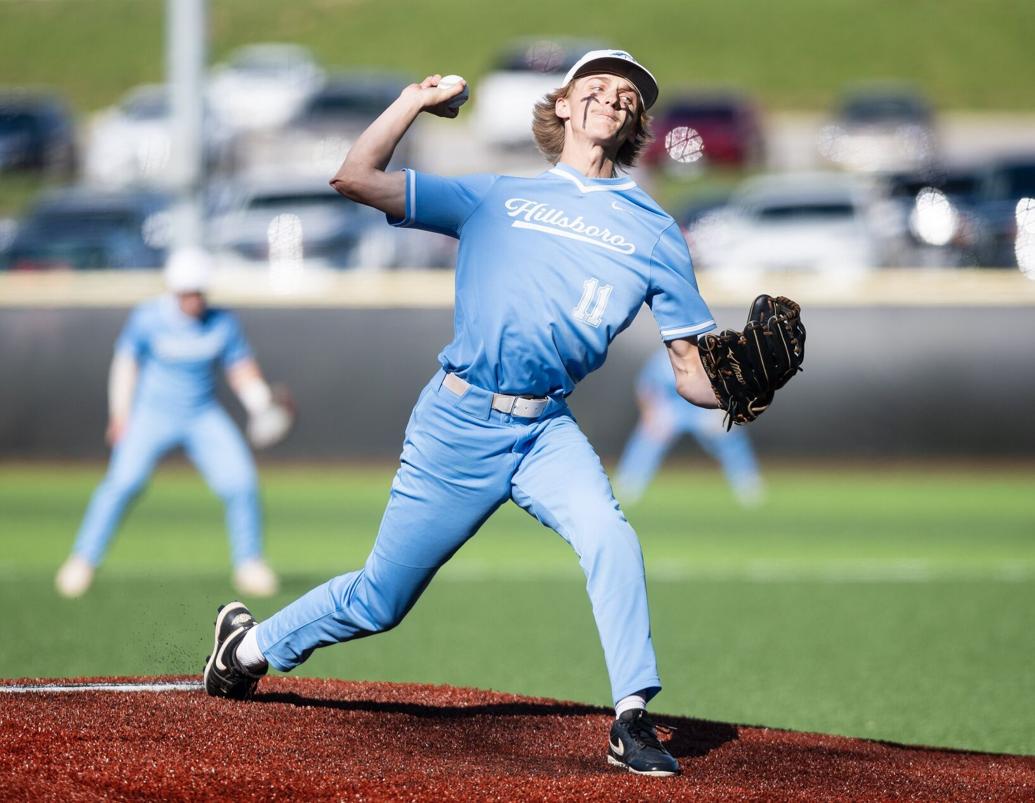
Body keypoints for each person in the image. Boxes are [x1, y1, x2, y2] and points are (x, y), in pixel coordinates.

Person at [204, 49, 720, 777]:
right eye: (597, 86)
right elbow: (354, 177)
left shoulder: (655, 230)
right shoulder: (496, 195)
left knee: (610, 536)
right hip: (458, 421)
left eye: (628, 96)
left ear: (634, 122)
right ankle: (249, 648)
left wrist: (742, 391)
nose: (613, 98)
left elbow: (691, 372)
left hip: (544, 429)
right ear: (564, 104)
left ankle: (631, 715)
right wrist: (414, 101)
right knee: (379, 600)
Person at [55, 247, 285, 599]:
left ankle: (249, 563)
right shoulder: (148, 318)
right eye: (185, 292)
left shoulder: (222, 322)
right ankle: (82, 560)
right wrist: (120, 414)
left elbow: (240, 369)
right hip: (152, 415)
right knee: (123, 482)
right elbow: (126, 364)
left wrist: (262, 405)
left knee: (241, 482)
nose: (192, 300)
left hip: (202, 414)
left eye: (198, 292)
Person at [616, 347, 764, 507]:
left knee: (729, 434)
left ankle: (747, 482)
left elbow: (728, 385)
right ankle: (629, 483)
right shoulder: (661, 359)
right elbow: (645, 388)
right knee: (647, 437)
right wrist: (650, 413)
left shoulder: (708, 355)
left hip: (703, 408)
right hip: (671, 407)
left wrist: (724, 409)